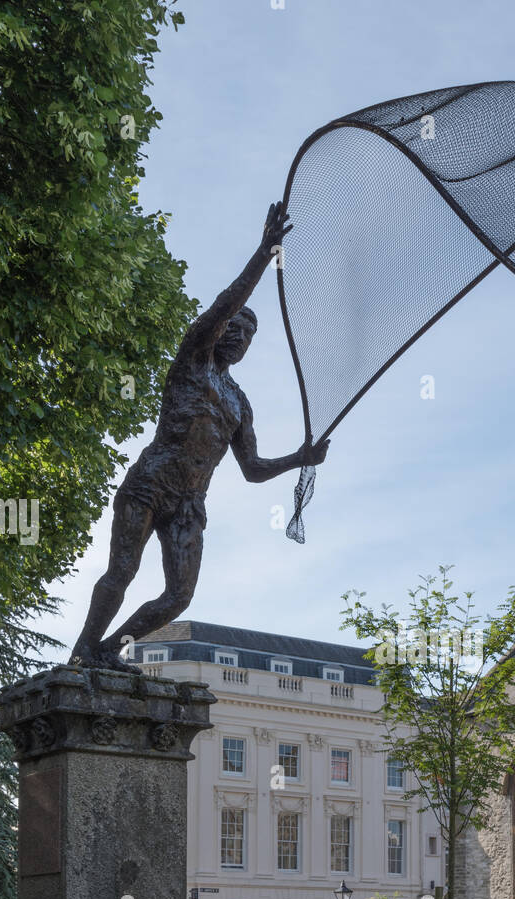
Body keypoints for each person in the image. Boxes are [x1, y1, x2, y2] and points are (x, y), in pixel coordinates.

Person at [72, 201, 327, 667]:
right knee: (123, 571)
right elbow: (224, 303)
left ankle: (107, 651)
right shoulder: (193, 361)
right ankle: (83, 649)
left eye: (247, 336)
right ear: (218, 330)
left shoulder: (237, 402)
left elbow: (251, 469)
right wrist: (264, 253)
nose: (238, 337)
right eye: (233, 328)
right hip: (150, 483)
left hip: (189, 503)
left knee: (179, 597)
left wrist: (300, 458)